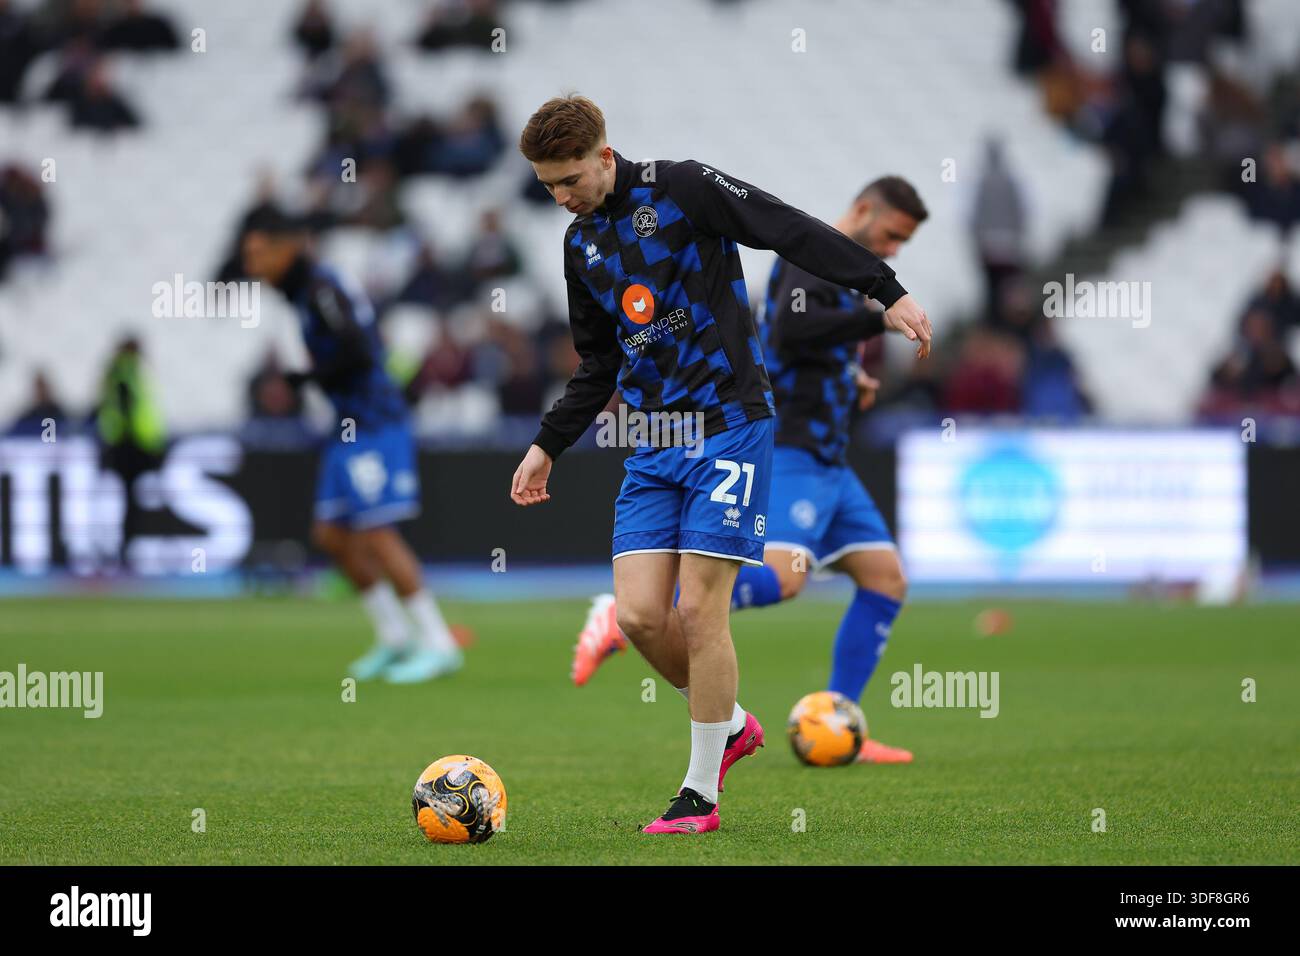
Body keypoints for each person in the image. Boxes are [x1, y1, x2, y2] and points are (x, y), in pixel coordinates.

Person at [508, 95, 930, 834]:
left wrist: (882, 289)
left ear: (605, 157)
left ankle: (700, 794)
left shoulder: (685, 188)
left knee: (702, 612)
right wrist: (548, 444)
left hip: (729, 426)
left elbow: (785, 226)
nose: (560, 197)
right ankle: (732, 724)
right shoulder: (581, 248)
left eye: (569, 179)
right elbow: (599, 362)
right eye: (547, 185)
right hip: (653, 440)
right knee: (641, 616)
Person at [573, 176, 932, 766]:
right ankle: (631, 616)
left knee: (885, 579)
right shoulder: (816, 266)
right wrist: (875, 321)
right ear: (864, 209)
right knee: (785, 577)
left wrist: (850, 377)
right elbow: (791, 330)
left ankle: (833, 716)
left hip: (830, 458)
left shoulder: (838, 275)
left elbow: (794, 348)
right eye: (892, 234)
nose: (893, 249)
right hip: (791, 447)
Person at [242, 207, 466, 683]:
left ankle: (439, 642)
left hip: (374, 421)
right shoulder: (304, 291)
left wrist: (307, 376)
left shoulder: (320, 289)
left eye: (260, 252)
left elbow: (357, 348)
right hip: (347, 424)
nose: (252, 264)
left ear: (288, 247)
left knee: (377, 532)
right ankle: (395, 636)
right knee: (332, 536)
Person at [96, 336, 165, 569]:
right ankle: (125, 550)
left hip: (123, 444)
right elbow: (130, 410)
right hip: (132, 446)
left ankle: (121, 549)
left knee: (124, 500)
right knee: (130, 501)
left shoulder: (117, 371)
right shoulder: (128, 372)